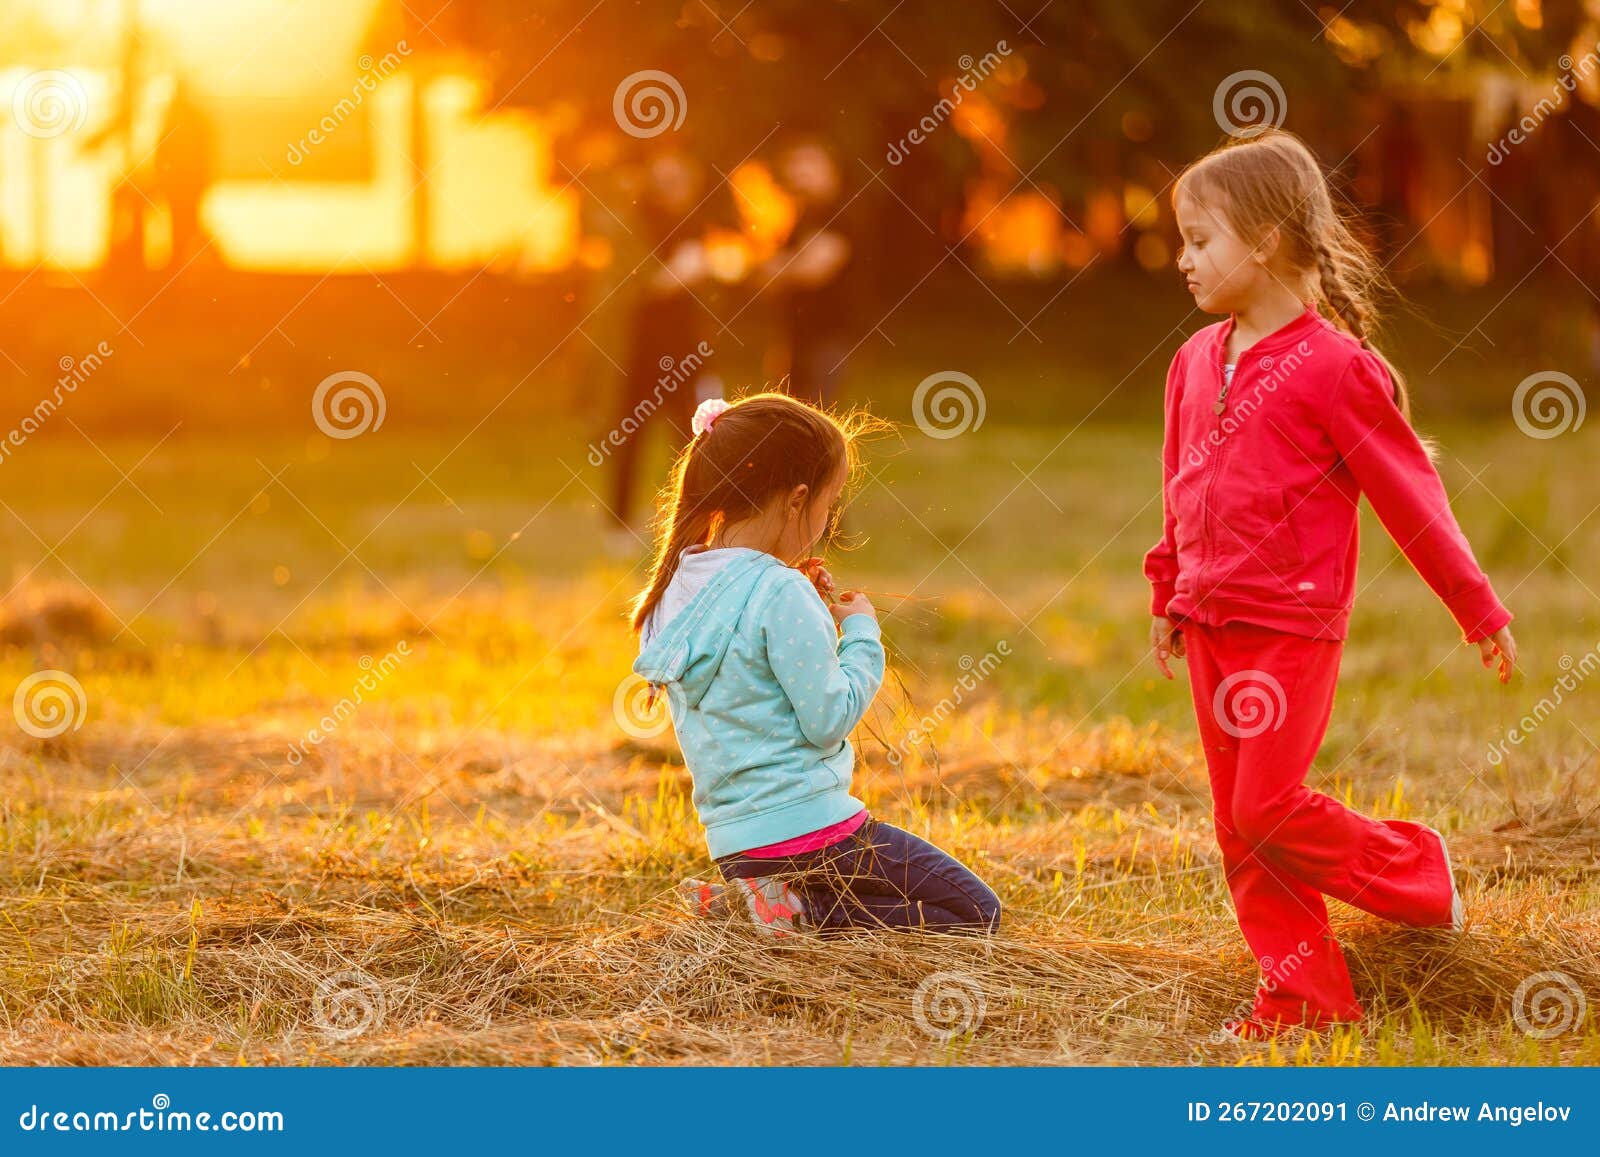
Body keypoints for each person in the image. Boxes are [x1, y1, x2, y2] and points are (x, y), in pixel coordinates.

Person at [1144, 130, 1517, 1039]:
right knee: (1241, 830)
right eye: (1183, 241)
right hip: (1211, 619)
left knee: (1266, 807)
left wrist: (1476, 605)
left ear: (1266, 240)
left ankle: (1416, 869)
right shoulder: (1194, 361)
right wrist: (1167, 591)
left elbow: (1410, 498)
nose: (1184, 260)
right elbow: (1178, 486)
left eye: (1202, 240)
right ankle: (1306, 1001)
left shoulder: (1337, 368)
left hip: (1290, 625)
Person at [631, 393, 1000, 936]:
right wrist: (860, 633)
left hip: (738, 848)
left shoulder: (675, 587)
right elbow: (828, 717)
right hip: (816, 834)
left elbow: (744, 667)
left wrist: (802, 612)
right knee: (976, 913)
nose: (827, 522)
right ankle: (800, 913)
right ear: (797, 499)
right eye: (829, 505)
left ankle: (759, 903)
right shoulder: (777, 591)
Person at [763, 140, 853, 407]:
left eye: (810, 165)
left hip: (829, 338)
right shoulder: (799, 218)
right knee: (787, 416)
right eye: (796, 165)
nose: (800, 173)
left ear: (831, 170)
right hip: (793, 337)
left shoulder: (843, 212)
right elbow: (772, 279)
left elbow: (814, 270)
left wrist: (771, 266)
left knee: (815, 420)